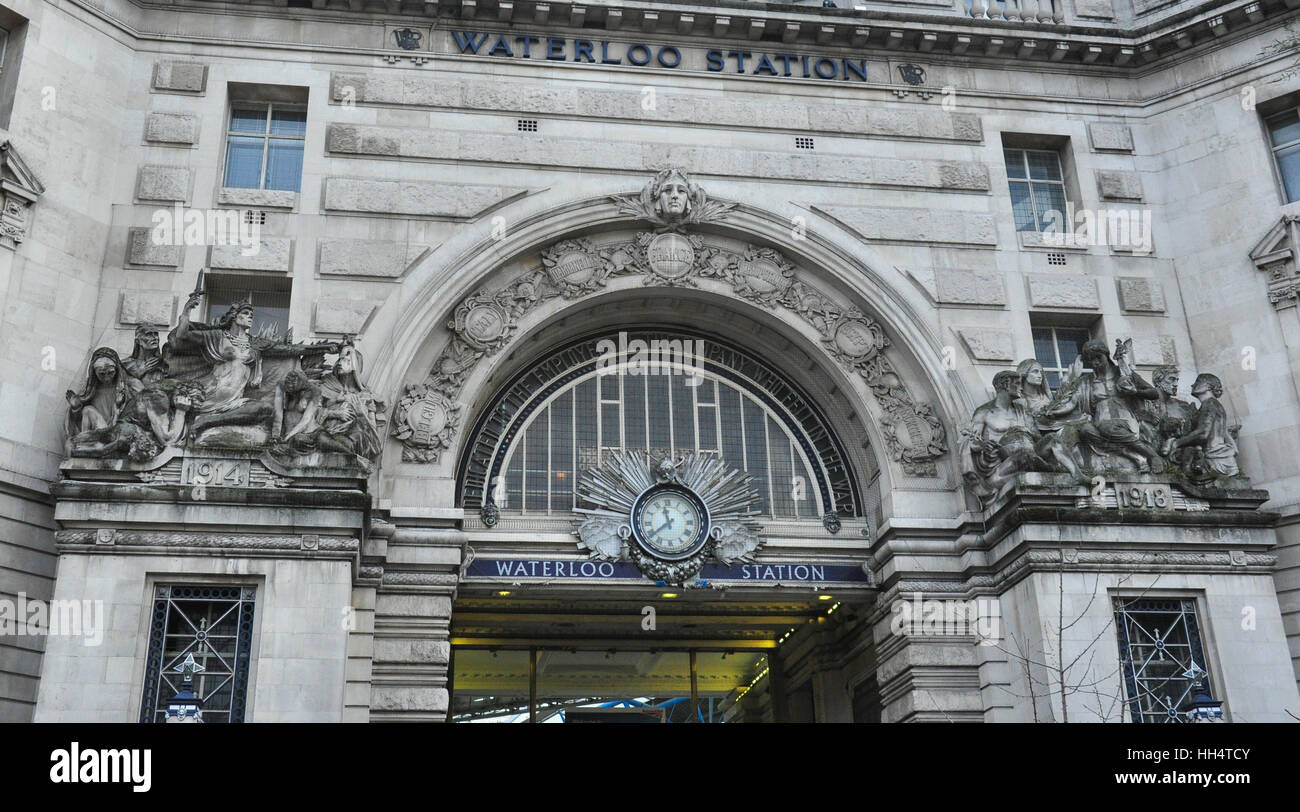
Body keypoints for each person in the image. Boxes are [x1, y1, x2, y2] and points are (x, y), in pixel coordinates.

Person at [166, 294, 273, 436]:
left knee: (265, 408)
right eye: (245, 313)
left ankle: (207, 421)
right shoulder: (217, 335)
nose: (250, 317)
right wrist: (186, 311)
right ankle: (205, 418)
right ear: (234, 316)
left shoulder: (254, 343)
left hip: (234, 401)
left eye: (251, 314)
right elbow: (182, 336)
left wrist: (311, 350)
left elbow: (286, 349)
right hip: (209, 393)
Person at [1166, 373, 1239, 477]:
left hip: (1214, 459)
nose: (1192, 385)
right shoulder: (1214, 404)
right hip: (1223, 459)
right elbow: (1229, 440)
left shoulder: (1209, 404)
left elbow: (1203, 433)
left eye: (1197, 382)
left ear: (1207, 386)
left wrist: (1177, 443)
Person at [65, 347, 132, 438]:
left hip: (119, 430)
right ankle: (85, 441)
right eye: (101, 374)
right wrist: (76, 407)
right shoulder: (88, 391)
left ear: (117, 370)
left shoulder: (127, 387)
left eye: (110, 373)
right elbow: (77, 421)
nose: (107, 378)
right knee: (87, 409)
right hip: (99, 430)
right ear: (94, 372)